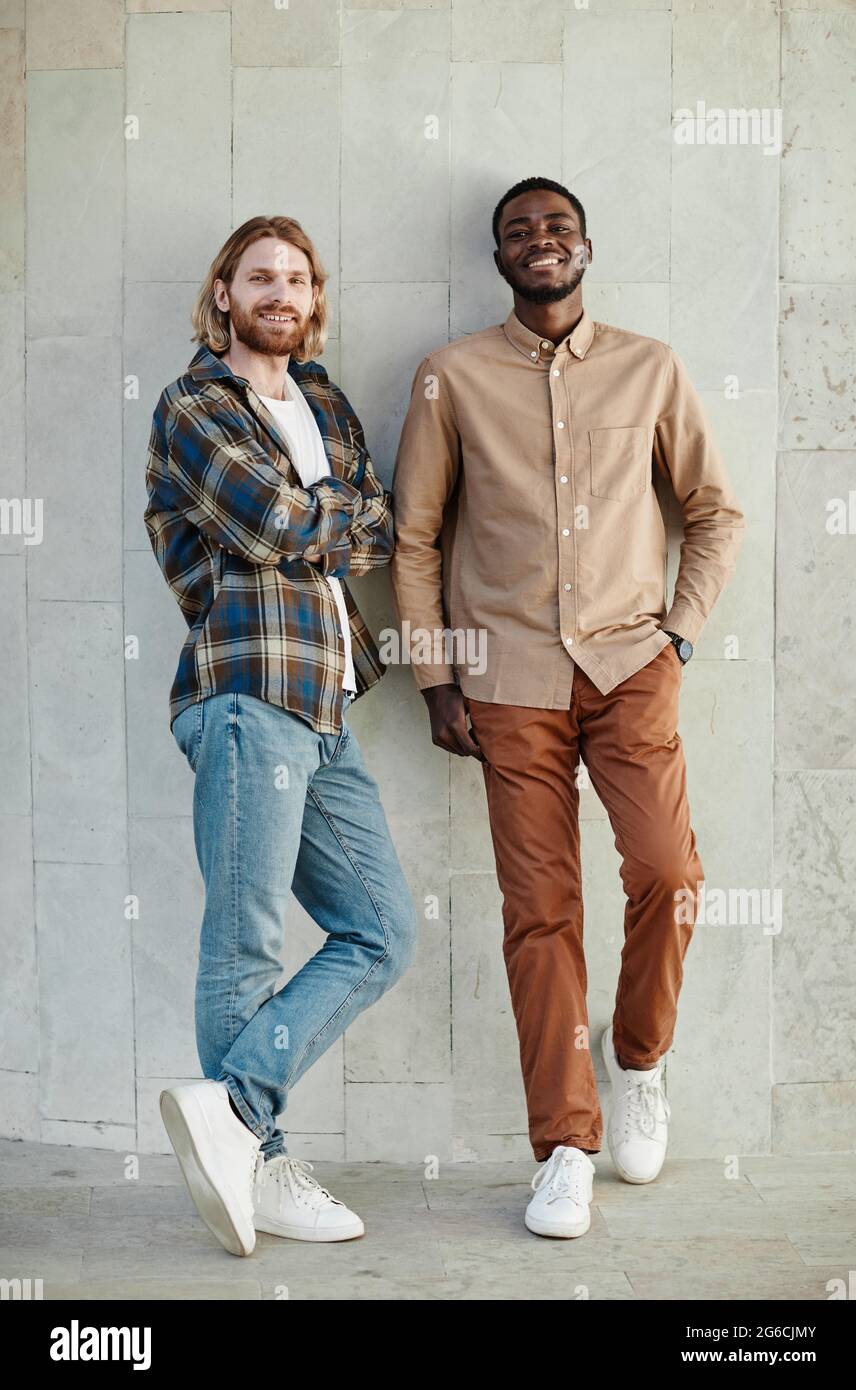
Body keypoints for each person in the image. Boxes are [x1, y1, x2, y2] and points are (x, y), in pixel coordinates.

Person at [390, 177, 745, 1240]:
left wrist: (678, 629)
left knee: (669, 872)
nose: (537, 241)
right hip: (504, 683)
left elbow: (713, 513)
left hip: (632, 665)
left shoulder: (650, 366)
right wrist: (435, 677)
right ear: (497, 258)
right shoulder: (449, 376)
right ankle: (562, 1146)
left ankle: (637, 1059)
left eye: (554, 226)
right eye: (516, 232)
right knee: (538, 913)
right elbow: (415, 539)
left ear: (584, 245)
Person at [144, 215, 416, 1257]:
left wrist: (335, 512)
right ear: (223, 292)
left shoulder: (326, 399)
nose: (278, 291)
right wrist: (332, 514)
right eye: (258, 275)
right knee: (247, 936)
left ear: (313, 297)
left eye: (296, 278)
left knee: (383, 929)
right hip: (248, 691)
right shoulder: (193, 403)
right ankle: (254, 1158)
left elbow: (379, 526)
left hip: (330, 703)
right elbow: (271, 525)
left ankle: (234, 1115)